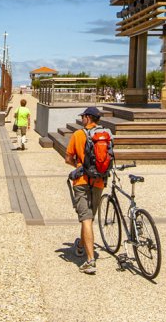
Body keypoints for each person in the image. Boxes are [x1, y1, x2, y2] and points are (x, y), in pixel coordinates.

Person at [64, 106, 105, 274]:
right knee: (90, 217)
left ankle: (90, 260)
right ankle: (81, 245)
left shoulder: (78, 135)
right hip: (99, 181)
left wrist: (80, 167)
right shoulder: (106, 135)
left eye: (83, 117)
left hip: (81, 181)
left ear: (88, 118)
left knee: (86, 219)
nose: (82, 119)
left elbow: (68, 158)